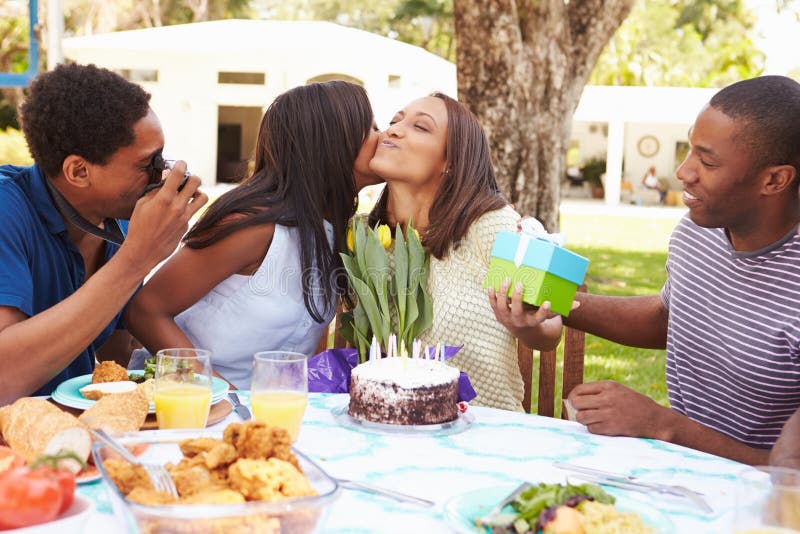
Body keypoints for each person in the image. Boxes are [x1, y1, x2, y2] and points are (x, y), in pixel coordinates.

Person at [491, 75, 800, 465]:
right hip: (680, 473)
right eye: (689, 151)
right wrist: (556, 300)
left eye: (707, 161)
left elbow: (789, 472)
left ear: (775, 179)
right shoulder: (696, 233)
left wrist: (662, 425)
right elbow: (671, 318)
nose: (684, 172)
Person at [125, 81, 380, 390]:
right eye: (372, 129)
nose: (383, 138)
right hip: (189, 403)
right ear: (333, 143)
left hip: (268, 416)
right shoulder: (254, 225)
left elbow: (304, 343)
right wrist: (228, 400)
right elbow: (145, 311)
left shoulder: (339, 232)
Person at [0, 63, 207, 404]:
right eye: (148, 165)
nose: (162, 176)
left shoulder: (121, 225)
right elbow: (5, 377)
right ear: (79, 171)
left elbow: (114, 359)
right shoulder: (8, 210)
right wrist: (137, 258)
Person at [368, 93, 563, 411]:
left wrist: (528, 325)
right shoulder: (364, 238)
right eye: (394, 121)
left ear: (451, 160)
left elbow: (551, 327)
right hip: (384, 430)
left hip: (483, 433)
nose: (393, 130)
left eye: (420, 126)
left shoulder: (492, 225)